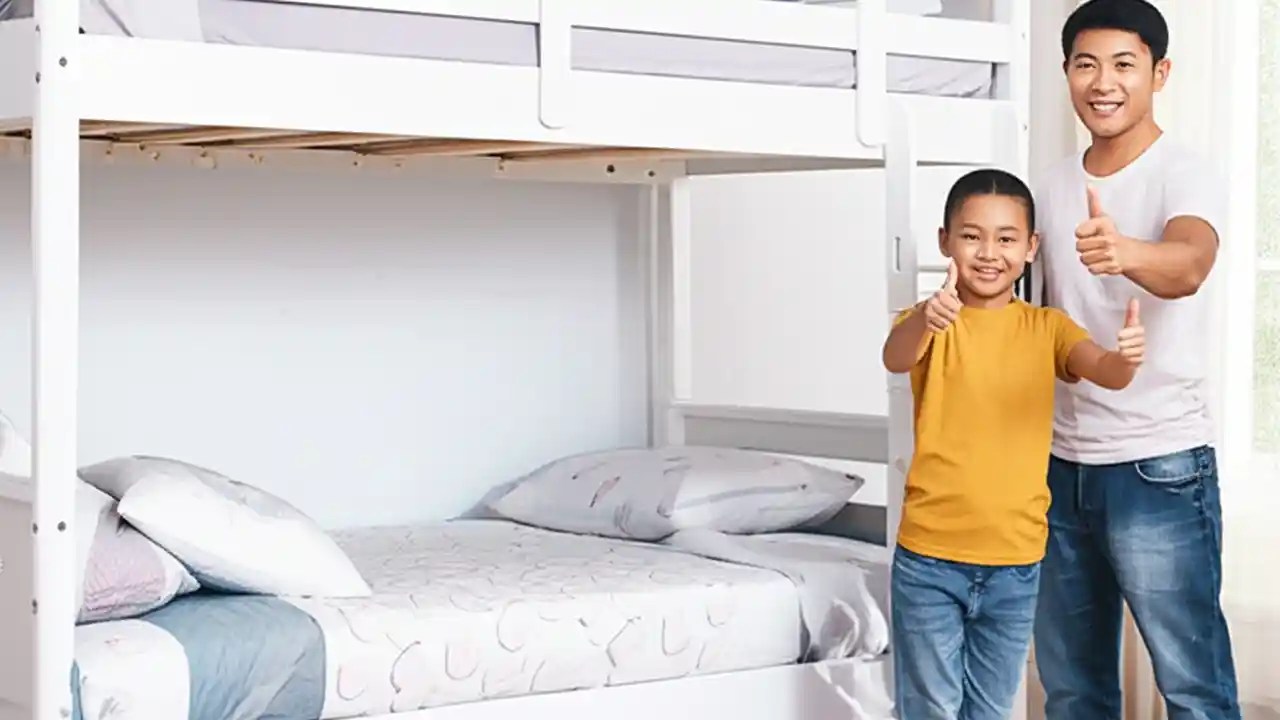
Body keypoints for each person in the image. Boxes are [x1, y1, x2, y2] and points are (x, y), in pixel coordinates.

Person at [1030, 1, 1242, 718]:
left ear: (1160, 73)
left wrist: (1127, 252)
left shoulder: (1186, 172)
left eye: (1124, 64)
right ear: (1066, 74)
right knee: (1073, 690)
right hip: (1062, 468)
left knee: (1193, 687)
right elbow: (1043, 328)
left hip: (1160, 466)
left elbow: (1188, 263)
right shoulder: (1050, 185)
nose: (1104, 82)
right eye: (1086, 64)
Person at [882, 168, 1144, 719]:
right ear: (945, 242)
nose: (988, 252)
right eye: (971, 236)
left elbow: (1106, 370)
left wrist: (1126, 358)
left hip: (1016, 564)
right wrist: (929, 317)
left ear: (1031, 248)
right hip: (930, 559)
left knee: (992, 710)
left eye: (1006, 239)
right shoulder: (929, 323)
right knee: (930, 706)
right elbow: (895, 355)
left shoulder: (1047, 328)